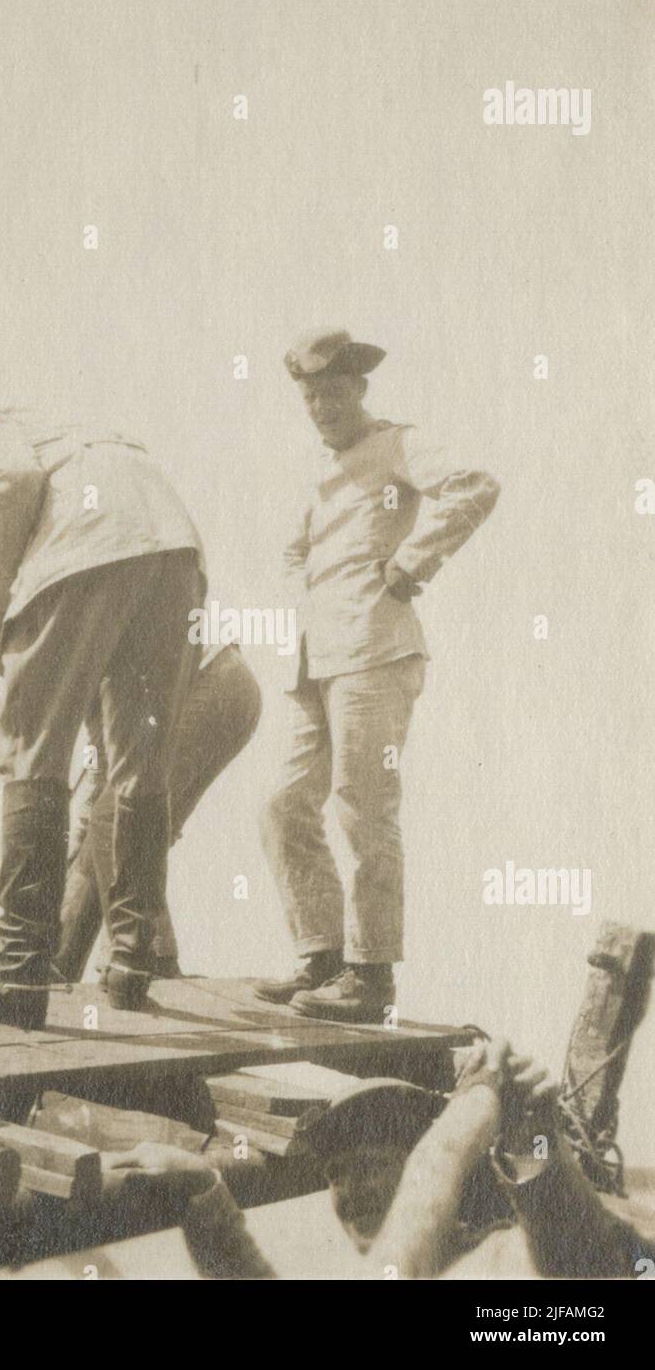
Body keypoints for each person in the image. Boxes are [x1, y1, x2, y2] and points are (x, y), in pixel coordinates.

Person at [0, 383, 205, 1020]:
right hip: (170, 543)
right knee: (139, 761)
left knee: (35, 755)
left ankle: (18, 973)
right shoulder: (42, 415)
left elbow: (5, 479)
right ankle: (132, 962)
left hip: (89, 544)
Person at [256, 329, 501, 1021]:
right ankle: (323, 957)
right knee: (282, 802)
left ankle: (370, 977)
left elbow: (475, 486)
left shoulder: (396, 444)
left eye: (333, 393)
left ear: (360, 389)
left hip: (375, 651)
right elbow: (292, 552)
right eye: (310, 397)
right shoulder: (316, 467)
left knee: (363, 807)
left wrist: (413, 562)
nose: (322, 407)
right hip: (315, 661)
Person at [107, 1039, 655, 1280]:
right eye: (336, 1175)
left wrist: (513, 1132)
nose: (351, 1191)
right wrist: (206, 1196)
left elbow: (583, 1263)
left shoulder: (506, 1264)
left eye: (371, 1164)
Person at [0, 641, 262, 981]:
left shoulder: (46, 639)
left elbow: (10, 710)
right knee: (120, 833)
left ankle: (146, 962)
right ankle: (71, 966)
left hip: (210, 682)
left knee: (114, 825)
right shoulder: (86, 672)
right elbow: (104, 774)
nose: (3, 674)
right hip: (230, 687)